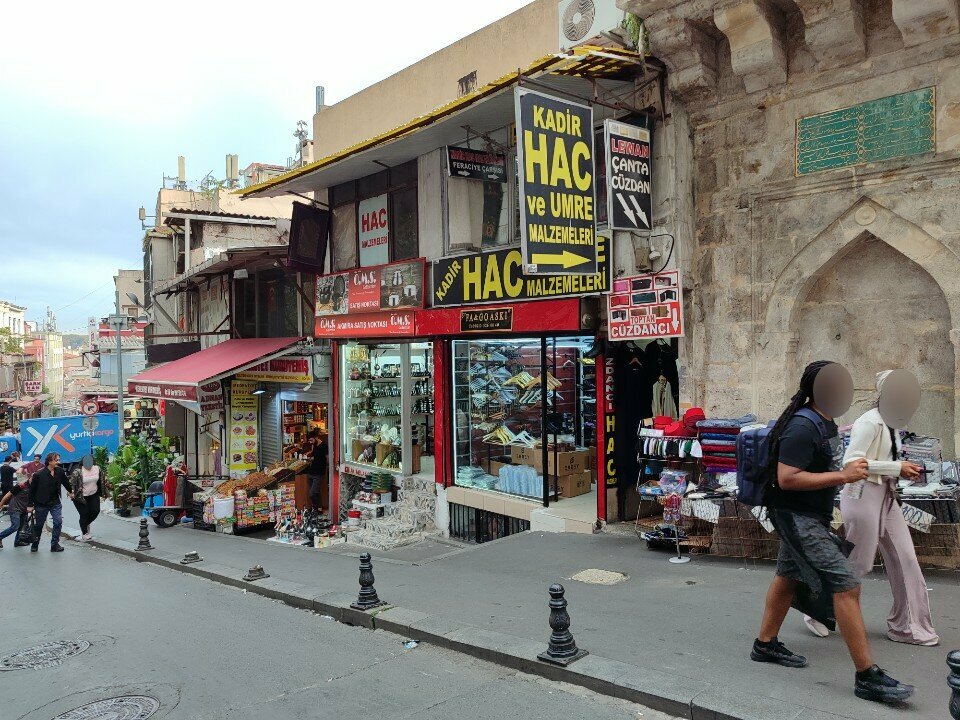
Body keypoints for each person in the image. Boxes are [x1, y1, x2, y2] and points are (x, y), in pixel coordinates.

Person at [751, 361, 914, 704]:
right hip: (797, 517)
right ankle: (867, 675)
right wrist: (844, 477)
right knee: (847, 584)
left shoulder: (825, 422)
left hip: (810, 516)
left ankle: (764, 645)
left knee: (787, 577)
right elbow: (787, 478)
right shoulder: (802, 426)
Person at [838, 370, 938, 646]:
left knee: (906, 559)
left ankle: (908, 627)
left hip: (887, 496)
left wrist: (903, 471)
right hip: (862, 496)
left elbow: (887, 463)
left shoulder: (892, 424)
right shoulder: (868, 422)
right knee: (857, 563)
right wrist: (897, 467)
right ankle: (816, 608)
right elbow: (852, 463)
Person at [26, 452, 72, 553]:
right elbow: (32, 491)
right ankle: (35, 543)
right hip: (41, 504)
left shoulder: (60, 471)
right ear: (50, 461)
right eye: (57, 460)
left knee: (58, 522)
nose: (59, 462)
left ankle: (54, 545)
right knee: (39, 525)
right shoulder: (38, 474)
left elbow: (66, 482)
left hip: (55, 502)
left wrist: (71, 491)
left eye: (59, 460)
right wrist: (30, 505)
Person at [70, 454, 104, 541]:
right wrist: (71, 492)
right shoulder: (78, 471)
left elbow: (101, 481)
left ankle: (85, 524)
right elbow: (71, 484)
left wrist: (104, 493)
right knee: (84, 514)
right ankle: (85, 532)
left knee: (95, 511)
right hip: (80, 496)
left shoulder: (97, 469)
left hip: (93, 494)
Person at [306, 429, 328, 512]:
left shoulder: (324, 446)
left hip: (319, 473)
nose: (310, 442)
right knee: (316, 492)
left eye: (311, 440)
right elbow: (314, 456)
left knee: (312, 493)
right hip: (311, 472)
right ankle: (318, 509)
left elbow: (327, 458)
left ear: (316, 437)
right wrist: (310, 458)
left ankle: (316, 508)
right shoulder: (314, 445)